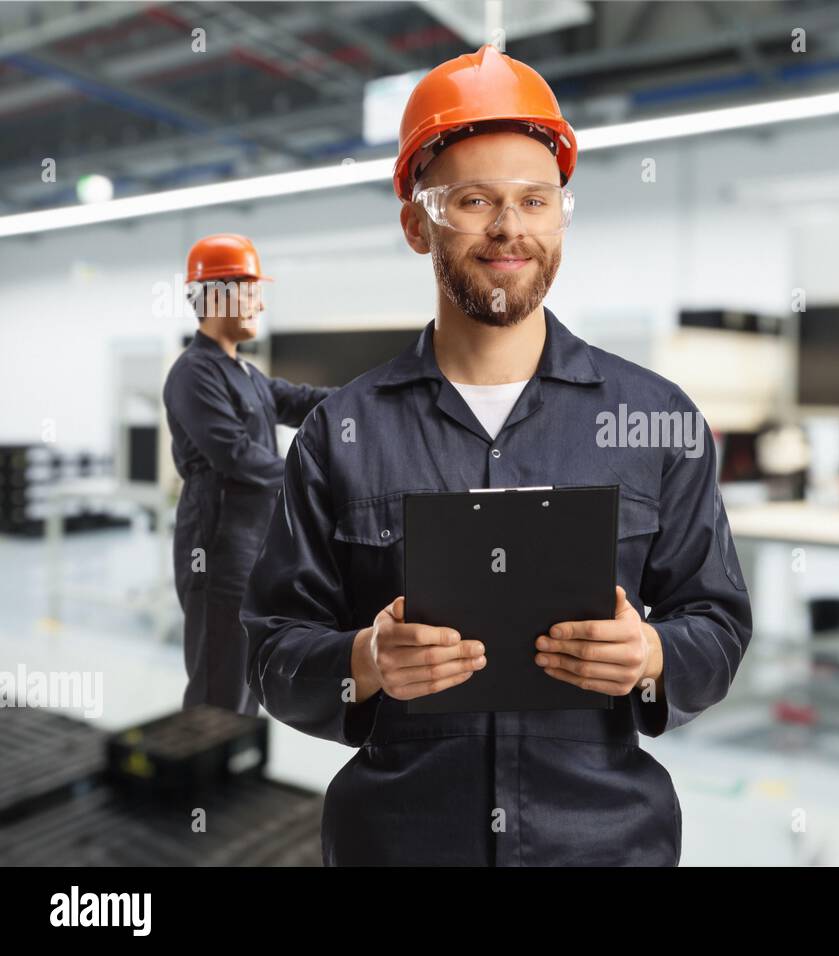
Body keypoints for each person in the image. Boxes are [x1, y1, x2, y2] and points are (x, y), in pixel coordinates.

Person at [241, 45, 752, 865]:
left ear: (560, 215)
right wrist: (365, 660)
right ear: (417, 223)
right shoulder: (342, 433)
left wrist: (653, 654)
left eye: (535, 201)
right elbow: (272, 653)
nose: (511, 228)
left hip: (604, 842)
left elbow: (719, 625)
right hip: (401, 843)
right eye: (474, 200)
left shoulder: (658, 420)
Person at [163, 233, 334, 715]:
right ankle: (202, 787)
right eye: (251, 288)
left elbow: (300, 401)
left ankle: (232, 773)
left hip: (252, 544)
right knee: (221, 682)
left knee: (249, 675)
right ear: (217, 295)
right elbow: (236, 456)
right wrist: (315, 481)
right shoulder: (193, 373)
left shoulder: (244, 372)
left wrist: (371, 395)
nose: (260, 301)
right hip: (218, 548)